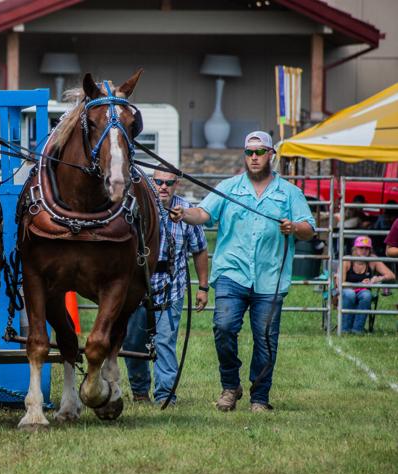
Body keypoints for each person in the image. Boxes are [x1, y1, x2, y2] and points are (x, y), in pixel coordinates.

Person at [170, 131, 316, 413]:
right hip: (231, 273)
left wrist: (294, 228)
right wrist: (183, 214)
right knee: (223, 327)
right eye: (249, 152)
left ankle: (259, 397)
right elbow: (203, 214)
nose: (254, 157)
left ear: (271, 155)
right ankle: (230, 385)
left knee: (265, 339)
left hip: (270, 278)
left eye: (260, 152)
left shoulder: (289, 193)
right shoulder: (228, 187)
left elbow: (309, 229)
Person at [124, 170, 209, 406]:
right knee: (132, 341)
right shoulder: (136, 205)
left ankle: (165, 395)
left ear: (176, 185)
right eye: (158, 182)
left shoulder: (186, 211)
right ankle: (140, 392)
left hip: (171, 285)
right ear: (152, 182)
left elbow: (200, 249)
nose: (163, 187)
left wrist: (203, 287)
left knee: (165, 342)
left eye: (169, 183)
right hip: (137, 285)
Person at [339, 235, 395, 334]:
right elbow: (340, 283)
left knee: (367, 295)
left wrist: (377, 278)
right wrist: (359, 284)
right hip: (346, 289)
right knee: (350, 294)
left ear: (370, 250)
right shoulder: (347, 260)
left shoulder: (372, 260)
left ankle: (357, 329)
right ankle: (345, 329)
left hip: (363, 291)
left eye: (367, 248)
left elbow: (391, 275)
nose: (364, 250)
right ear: (355, 249)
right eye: (361, 248)